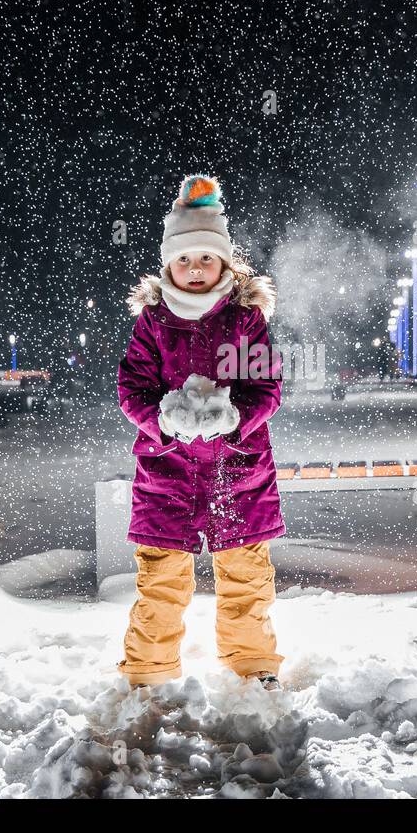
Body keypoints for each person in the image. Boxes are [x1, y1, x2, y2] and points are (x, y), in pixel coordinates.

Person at [116, 174, 286, 691]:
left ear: (225, 264)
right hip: (166, 470)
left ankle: (252, 666)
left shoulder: (244, 320)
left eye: (205, 259)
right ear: (168, 265)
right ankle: (148, 673)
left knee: (246, 579)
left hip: (239, 472)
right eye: (184, 259)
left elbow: (267, 387)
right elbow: (132, 387)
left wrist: (233, 420)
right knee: (161, 582)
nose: (194, 269)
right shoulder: (153, 322)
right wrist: (162, 422)